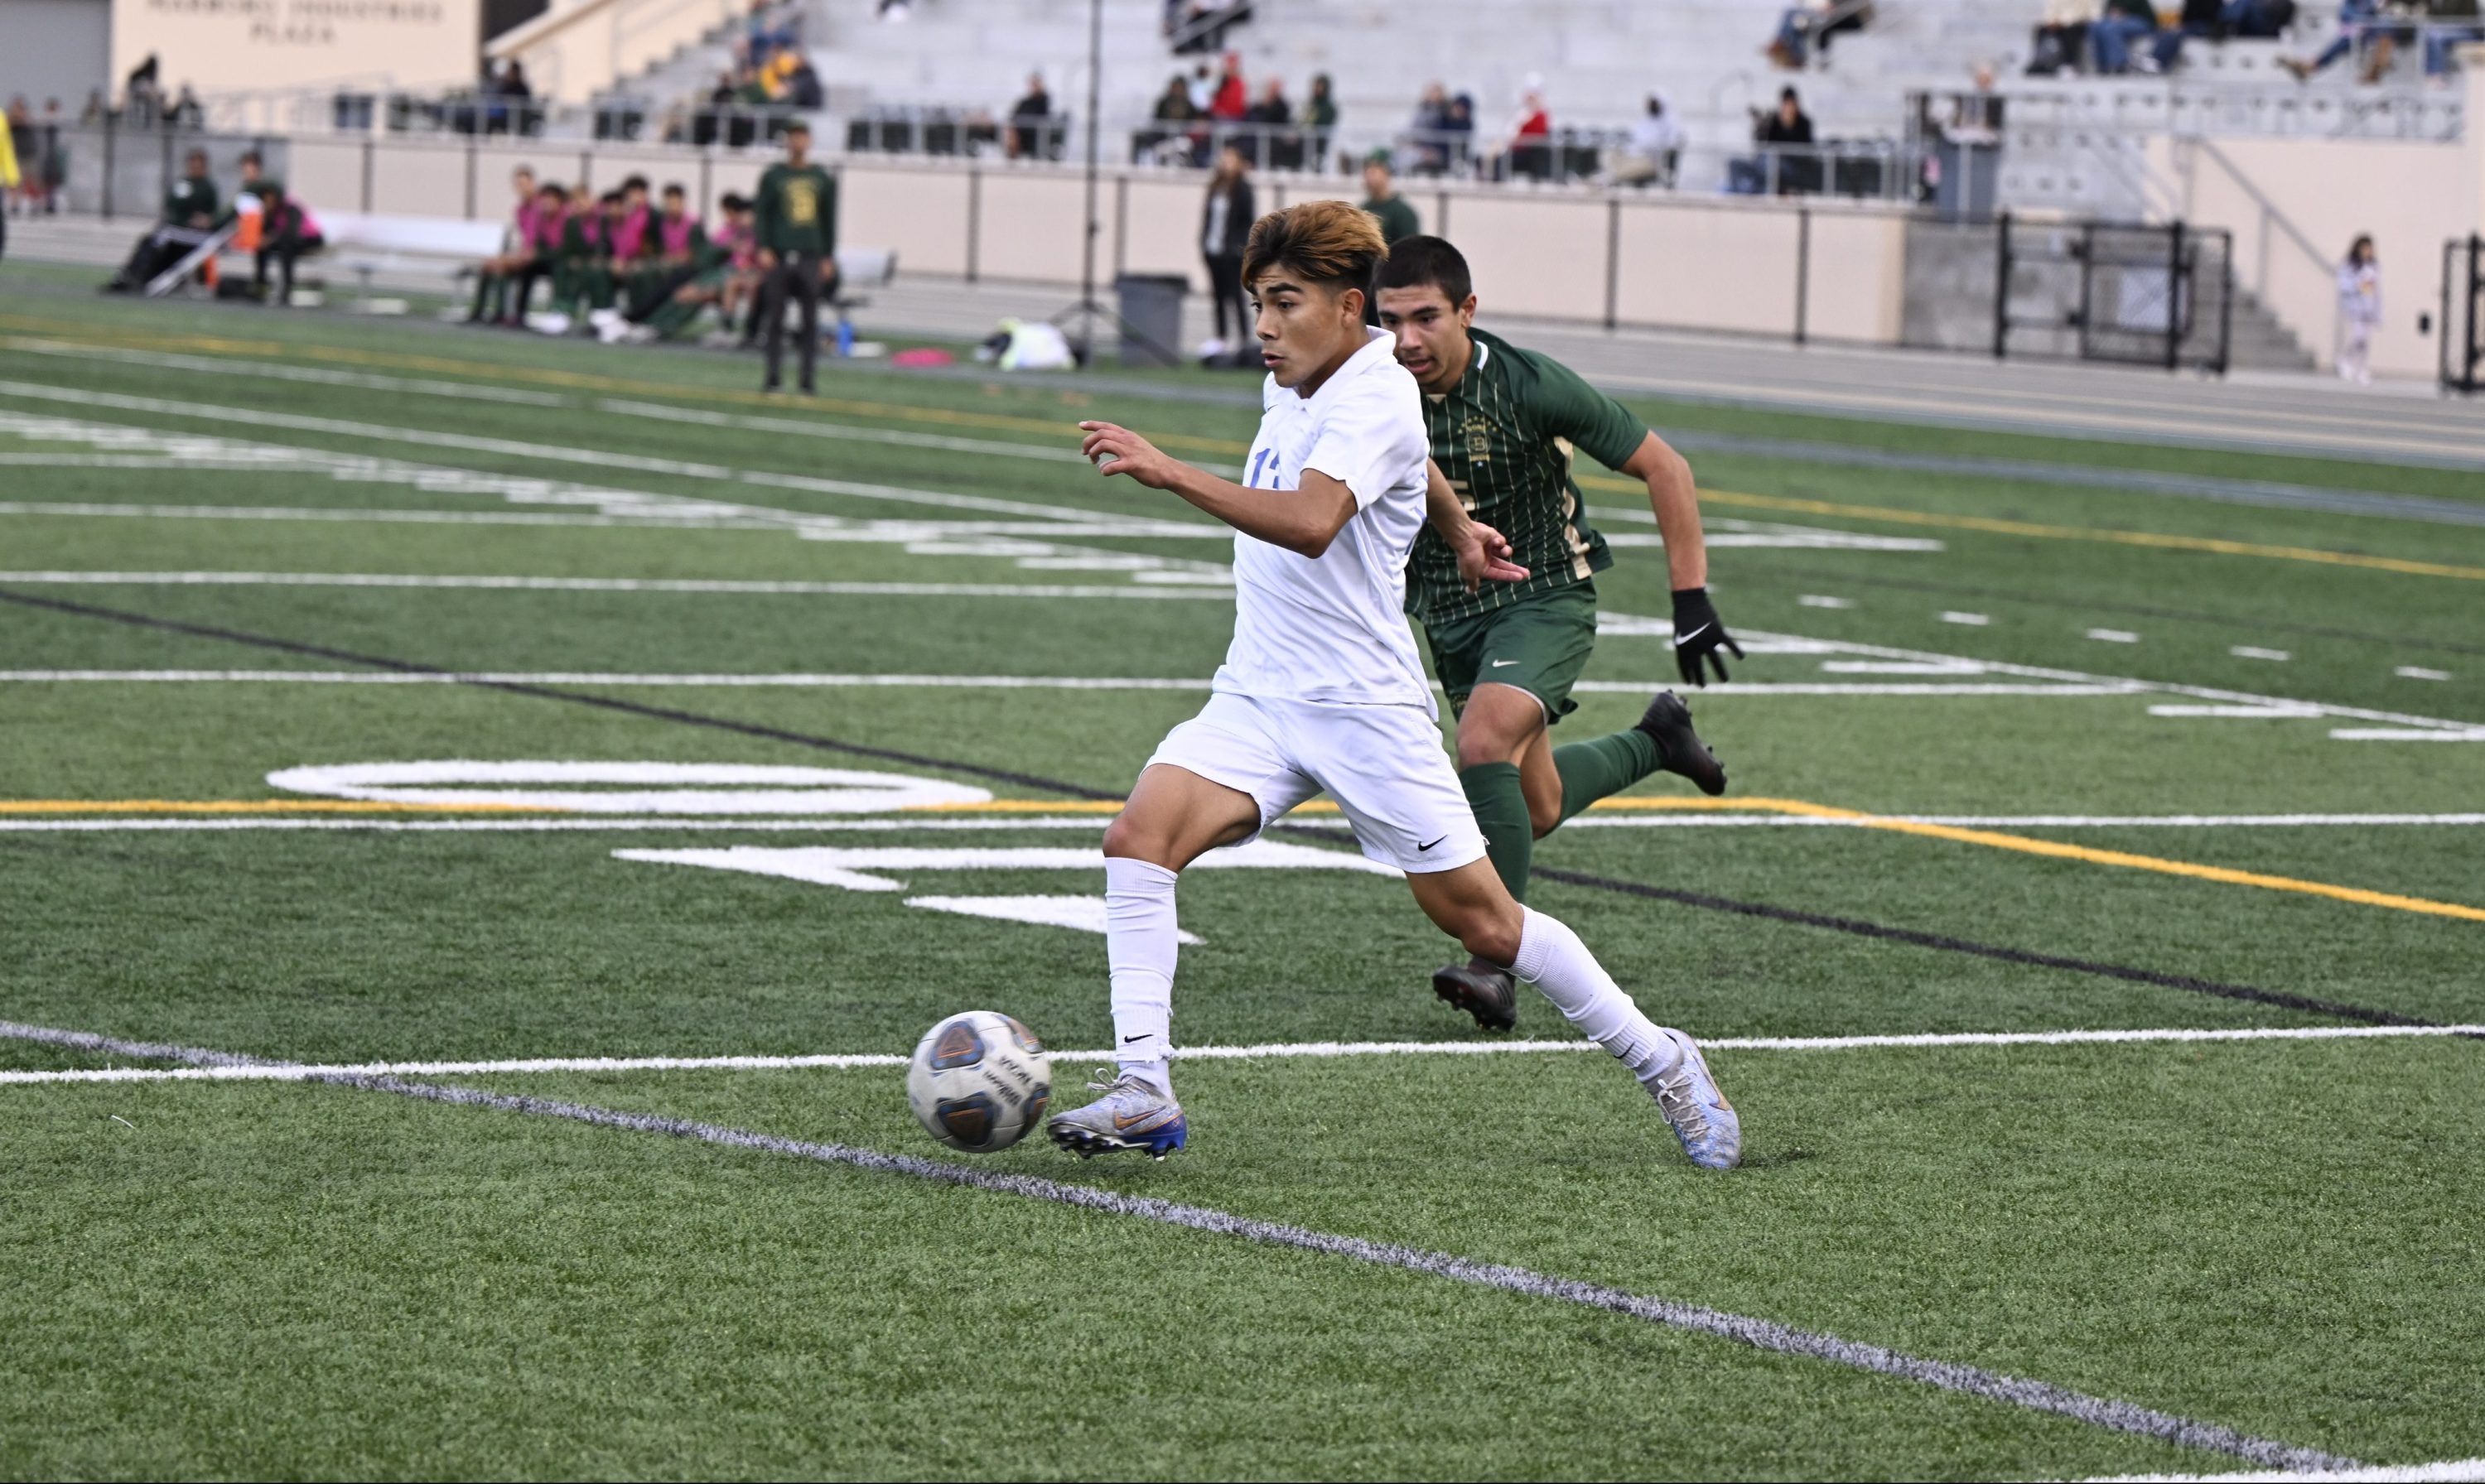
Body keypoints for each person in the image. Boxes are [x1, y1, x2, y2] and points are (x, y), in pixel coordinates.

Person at [1052, 200, 1741, 1171]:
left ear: (1347, 306)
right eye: (1256, 301)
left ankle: (1663, 1058)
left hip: (1362, 710)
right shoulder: (1301, 374)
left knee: (1487, 922)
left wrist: (1171, 473)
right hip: (1257, 690)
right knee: (1138, 840)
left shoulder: (1372, 389)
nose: (1264, 324)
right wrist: (1457, 529)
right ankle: (1143, 1087)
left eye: (1284, 302)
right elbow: (1411, 457)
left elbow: (1311, 519)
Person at [1371, 234, 1737, 1031]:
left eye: (1427, 318)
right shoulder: (1372, 385)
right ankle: (1657, 740)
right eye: (1390, 320)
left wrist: (1690, 599)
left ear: (1468, 310)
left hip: (1543, 598)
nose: (1407, 341)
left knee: (1481, 742)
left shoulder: (1527, 386)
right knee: (1528, 809)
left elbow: (1664, 466)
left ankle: (1494, 960)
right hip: (1449, 614)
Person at [753, 118, 838, 393]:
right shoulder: (774, 176)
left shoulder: (822, 178)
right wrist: (764, 246)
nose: (798, 142)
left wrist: (827, 255)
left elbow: (828, 220)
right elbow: (762, 215)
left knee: (810, 320)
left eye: (802, 136)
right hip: (779, 254)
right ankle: (773, 375)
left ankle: (807, 377)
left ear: (809, 141)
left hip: (810, 255)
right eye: (793, 136)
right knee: (775, 317)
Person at [104, 147, 218, 292]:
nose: (194, 168)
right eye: (192, 164)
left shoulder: (206, 187)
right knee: (148, 241)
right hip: (174, 227)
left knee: (157, 240)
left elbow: (211, 214)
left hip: (189, 232)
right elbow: (171, 203)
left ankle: (139, 276)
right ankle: (130, 275)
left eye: (197, 165)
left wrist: (203, 220)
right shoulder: (182, 182)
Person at [1199, 145, 1254, 356]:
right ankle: (1220, 337)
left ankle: (1243, 338)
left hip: (1232, 253)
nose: (1226, 163)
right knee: (1218, 296)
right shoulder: (1215, 187)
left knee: (1235, 296)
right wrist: (1203, 243)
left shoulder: (1243, 189)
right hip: (1213, 250)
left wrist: (1238, 247)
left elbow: (1247, 221)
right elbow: (1208, 218)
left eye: (1231, 159)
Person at [467, 166, 541, 323]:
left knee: (500, 267)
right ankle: (480, 311)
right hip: (525, 252)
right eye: (518, 184)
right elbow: (525, 238)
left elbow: (536, 238)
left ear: (533, 183)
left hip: (537, 254)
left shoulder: (540, 207)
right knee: (488, 266)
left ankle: (502, 313)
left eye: (524, 184)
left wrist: (516, 256)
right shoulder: (520, 209)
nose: (521, 188)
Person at [1613, 94, 1683, 187]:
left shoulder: (1670, 123)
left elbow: (1670, 144)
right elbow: (1634, 140)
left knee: (1625, 170)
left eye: (1654, 103)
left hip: (1651, 161)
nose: (1651, 106)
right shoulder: (1644, 122)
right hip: (1634, 157)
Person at [2337, 235, 2381, 385]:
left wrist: (2378, 313)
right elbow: (2343, 287)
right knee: (2358, 337)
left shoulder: (2373, 267)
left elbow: (2377, 293)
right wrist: (2359, 283)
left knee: (2366, 341)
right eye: (2365, 248)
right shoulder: (2350, 266)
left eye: (2370, 248)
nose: (2368, 251)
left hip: (2368, 309)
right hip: (2355, 308)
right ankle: (2345, 360)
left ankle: (2361, 369)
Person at [1759, 86, 1818, 195]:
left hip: (1796, 166)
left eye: (1792, 104)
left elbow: (1806, 148)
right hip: (1776, 163)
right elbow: (1767, 143)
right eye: (1787, 104)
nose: (1790, 108)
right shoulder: (1774, 122)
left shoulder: (1804, 123)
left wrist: (1790, 126)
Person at [1358, 155, 1420, 244]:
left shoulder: (1402, 212)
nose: (1370, 178)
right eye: (1367, 173)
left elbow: (1410, 247)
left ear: (1387, 175)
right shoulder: (1363, 208)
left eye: (1374, 173)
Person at [2091, 0, 2164, 73]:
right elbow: (2107, 11)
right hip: (2118, 19)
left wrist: (2121, 15)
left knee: (2113, 28)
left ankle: (2120, 64)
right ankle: (2102, 64)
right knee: (2095, 27)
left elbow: (2132, 8)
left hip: (2141, 20)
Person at [1007, 73, 1054, 160]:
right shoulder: (1024, 102)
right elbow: (1013, 115)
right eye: (1032, 84)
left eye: (1036, 84)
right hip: (1020, 130)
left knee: (1014, 133)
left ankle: (1013, 155)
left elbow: (1043, 114)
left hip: (1034, 133)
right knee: (1011, 131)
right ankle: (1012, 155)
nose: (1034, 86)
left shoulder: (1043, 101)